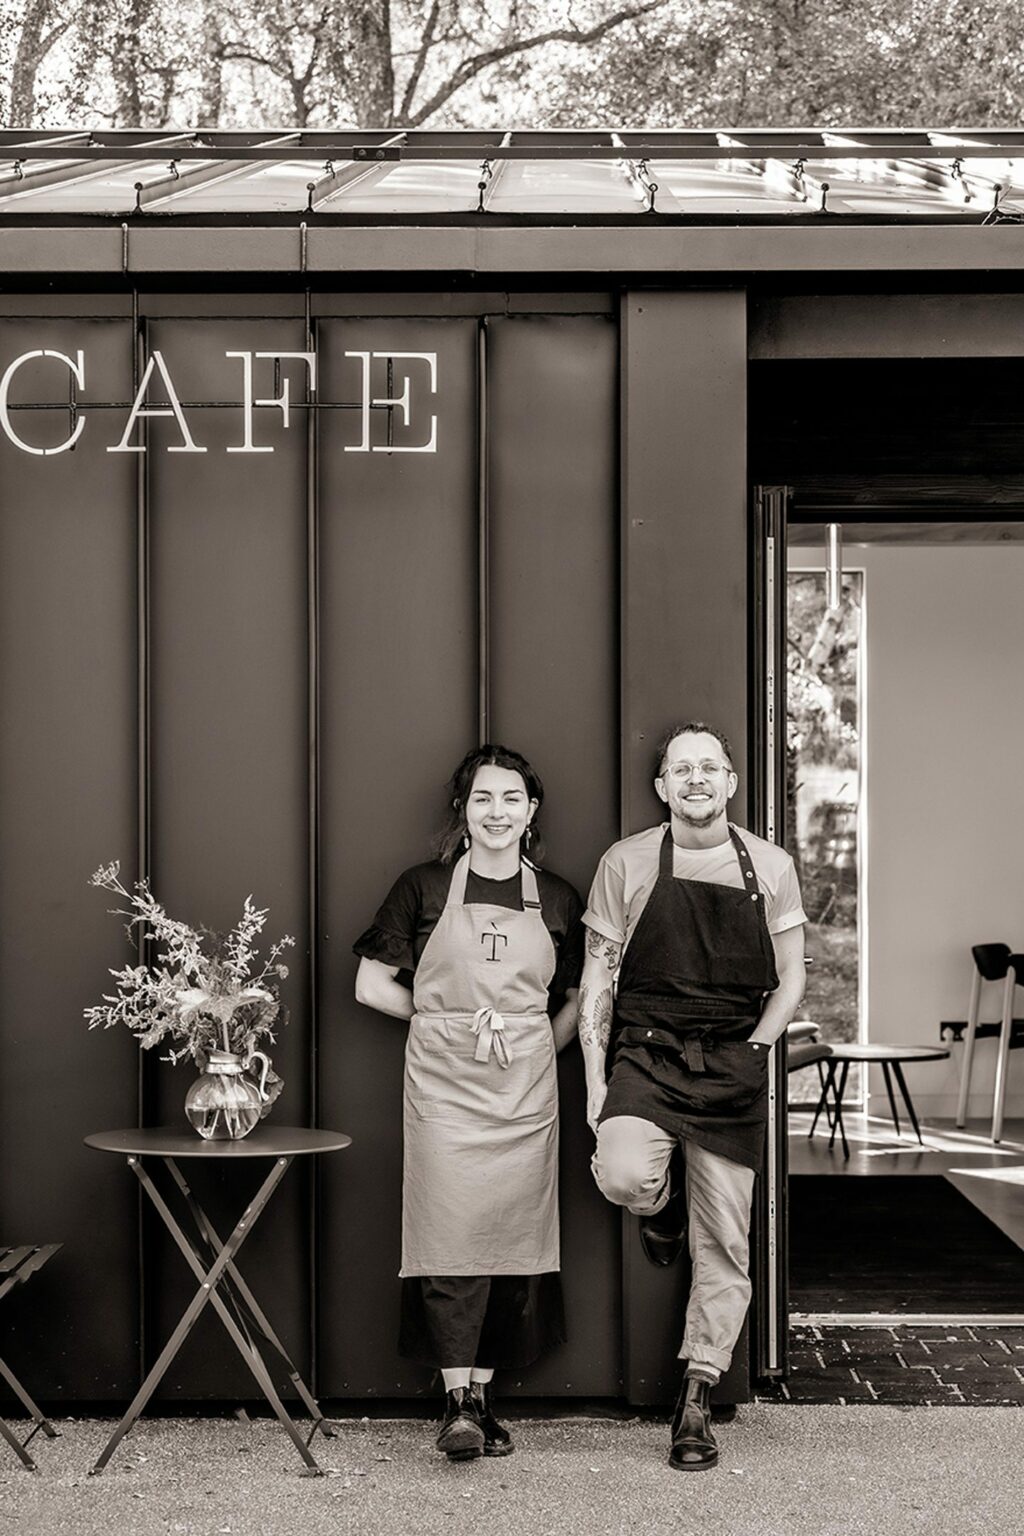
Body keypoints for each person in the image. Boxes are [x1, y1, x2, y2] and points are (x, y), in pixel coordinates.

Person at [579, 722, 806, 1471]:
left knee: (727, 1244)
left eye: (710, 767)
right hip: (645, 1054)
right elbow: (598, 980)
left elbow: (793, 974)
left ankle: (697, 1395)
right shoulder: (628, 861)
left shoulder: (769, 865)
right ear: (662, 787)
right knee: (623, 1173)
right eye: (683, 769)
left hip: (731, 1064)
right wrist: (593, 1083)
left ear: (732, 782)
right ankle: (661, 1206)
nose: (697, 780)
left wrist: (761, 1046)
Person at [353, 744, 583, 1462]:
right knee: (447, 1227)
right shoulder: (422, 888)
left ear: (530, 811)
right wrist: (441, 1022)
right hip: (444, 1081)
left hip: (523, 1082)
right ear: (464, 809)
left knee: (513, 1232)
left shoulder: (559, 897)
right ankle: (456, 1397)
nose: (497, 812)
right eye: (483, 798)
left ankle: (480, 1400)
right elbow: (370, 984)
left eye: (511, 798)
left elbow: (579, 998)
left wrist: (539, 1040)